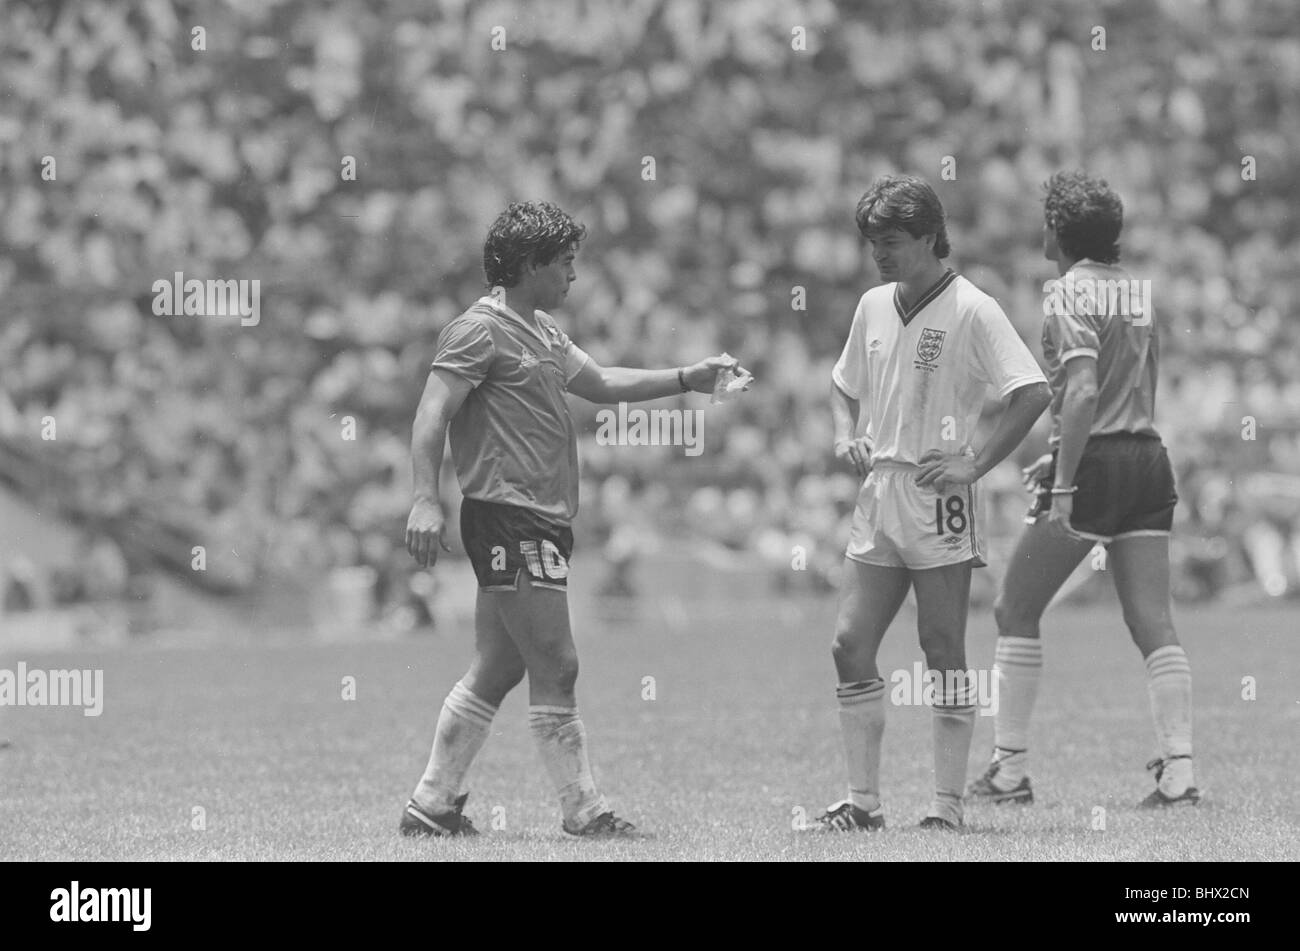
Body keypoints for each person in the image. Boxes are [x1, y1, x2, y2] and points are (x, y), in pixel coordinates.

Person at [401, 200, 739, 838]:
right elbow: (430, 416)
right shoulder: (478, 330)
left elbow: (604, 381)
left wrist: (688, 378)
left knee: (500, 666)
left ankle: (432, 805)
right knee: (558, 664)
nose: (573, 276)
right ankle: (585, 812)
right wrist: (424, 498)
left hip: (541, 518)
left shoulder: (545, 331)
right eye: (564, 263)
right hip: (508, 515)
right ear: (529, 265)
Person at [814, 175, 1051, 832]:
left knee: (941, 643)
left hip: (936, 495)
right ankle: (863, 802)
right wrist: (844, 433)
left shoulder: (973, 307)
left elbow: (1031, 390)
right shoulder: (871, 304)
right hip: (879, 491)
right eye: (871, 243)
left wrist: (975, 460)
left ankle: (945, 806)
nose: (879, 255)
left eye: (890, 242)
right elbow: (842, 385)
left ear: (927, 236)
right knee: (848, 642)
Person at [966, 171, 1199, 808]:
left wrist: (1066, 480)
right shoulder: (1138, 294)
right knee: (1153, 618)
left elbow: (1086, 390)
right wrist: (1061, 457)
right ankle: (1180, 771)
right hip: (1148, 457)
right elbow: (1126, 392)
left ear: (1057, 231)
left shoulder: (1067, 292)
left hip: (1097, 463)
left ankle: (1009, 772)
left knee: (1014, 609)